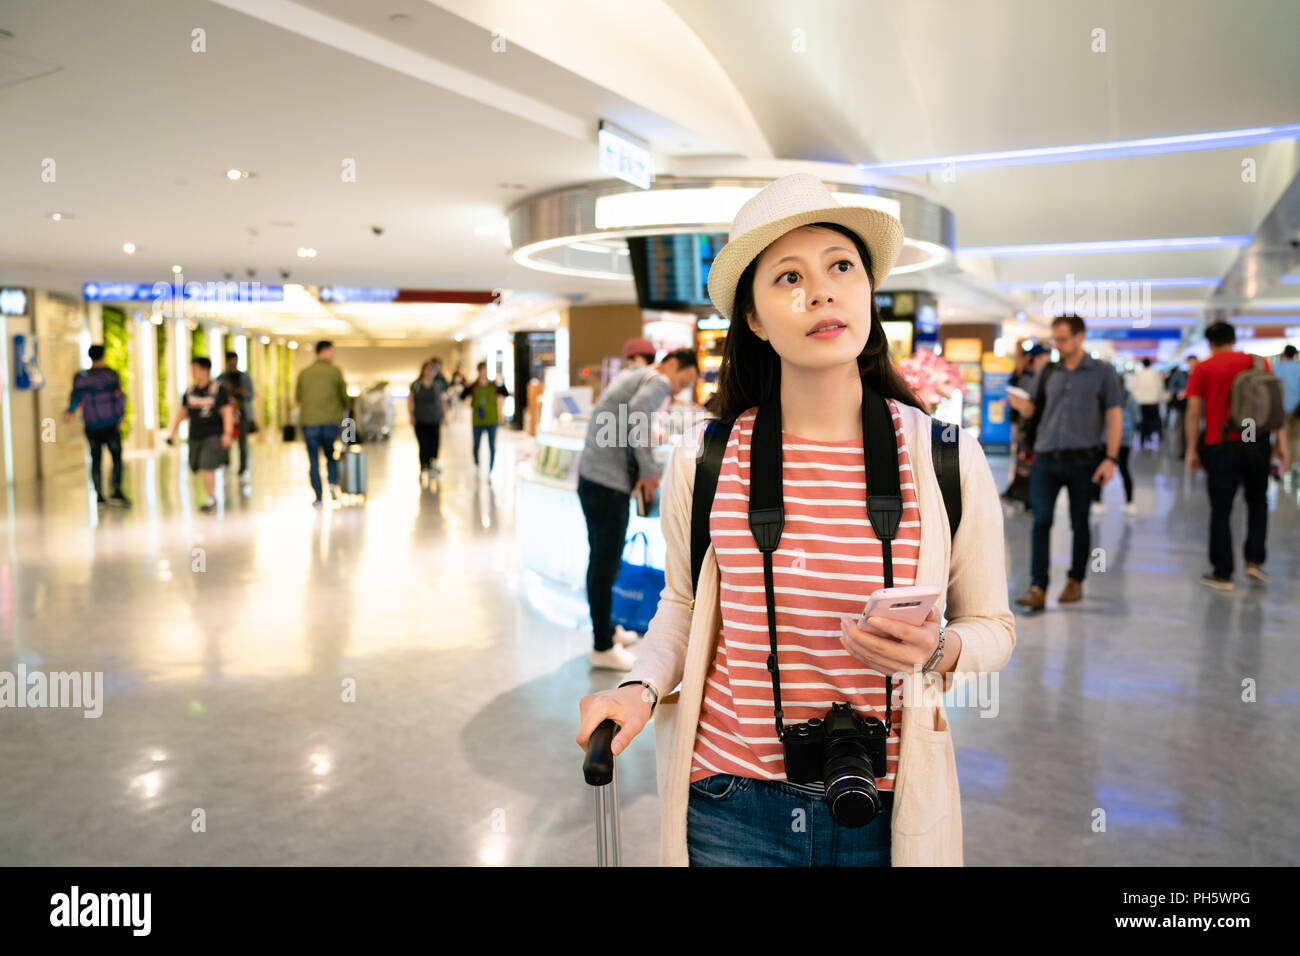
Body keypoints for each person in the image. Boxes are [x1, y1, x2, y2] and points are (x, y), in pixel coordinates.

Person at [576, 173, 1014, 867]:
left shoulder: (944, 456)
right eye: (787, 277)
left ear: (869, 291)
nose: (822, 291)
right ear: (752, 318)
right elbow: (685, 604)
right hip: (730, 802)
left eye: (842, 266)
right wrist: (639, 686)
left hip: (889, 804)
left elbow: (993, 627)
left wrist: (939, 651)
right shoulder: (708, 457)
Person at [576, 348, 699, 671]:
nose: (678, 390)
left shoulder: (635, 374)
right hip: (607, 485)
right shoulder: (657, 380)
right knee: (604, 565)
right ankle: (601, 646)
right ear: (672, 365)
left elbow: (627, 417)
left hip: (593, 480)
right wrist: (647, 469)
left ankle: (607, 630)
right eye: (683, 381)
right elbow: (637, 415)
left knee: (602, 561)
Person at [1007, 314, 1123, 609]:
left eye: (1063, 339)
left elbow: (1113, 415)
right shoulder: (1048, 371)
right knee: (1041, 521)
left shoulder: (1102, 372)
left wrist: (1111, 458)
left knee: (1079, 523)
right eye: (1055, 339)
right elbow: (1036, 410)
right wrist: (1023, 407)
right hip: (1045, 458)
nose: (1057, 345)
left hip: (1084, 459)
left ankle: (1075, 580)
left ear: (1080, 336)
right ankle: (1037, 586)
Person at [1185, 323, 1289, 591]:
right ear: (1234, 339)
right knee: (1258, 501)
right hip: (1253, 438)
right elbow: (1272, 404)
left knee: (1221, 508)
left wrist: (1191, 450)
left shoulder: (1204, 368)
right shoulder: (1257, 362)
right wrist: (1282, 444)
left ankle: (1223, 573)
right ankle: (1254, 561)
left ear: (1209, 343)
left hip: (1221, 442)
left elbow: (1194, 412)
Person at [64, 344, 130, 506]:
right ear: (103, 356)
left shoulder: (81, 377)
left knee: (96, 459)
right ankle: (117, 490)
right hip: (111, 423)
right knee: (116, 458)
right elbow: (119, 398)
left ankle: (99, 494)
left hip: (91, 425)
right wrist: (120, 417)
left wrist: (69, 412)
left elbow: (75, 399)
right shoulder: (111, 375)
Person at [167, 357, 234, 514]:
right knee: (195, 464)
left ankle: (211, 498)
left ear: (205, 370)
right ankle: (221, 464)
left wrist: (227, 433)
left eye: (195, 368)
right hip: (195, 436)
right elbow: (183, 412)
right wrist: (173, 432)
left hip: (213, 434)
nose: (193, 372)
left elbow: (227, 411)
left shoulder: (218, 389)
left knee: (205, 465)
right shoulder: (190, 391)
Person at [295, 340, 349, 507]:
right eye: (332, 352)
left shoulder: (304, 373)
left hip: (309, 423)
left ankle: (318, 496)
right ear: (324, 351)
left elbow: (298, 398)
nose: (333, 356)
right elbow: (344, 397)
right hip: (329, 422)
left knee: (313, 460)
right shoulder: (335, 371)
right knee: (330, 454)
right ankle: (332, 483)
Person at [1090, 383, 1139, 516]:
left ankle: (1097, 502)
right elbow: (1137, 417)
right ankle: (1129, 502)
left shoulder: (1102, 397)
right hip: (1125, 438)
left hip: (1105, 438)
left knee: (1099, 470)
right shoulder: (1129, 398)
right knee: (1124, 469)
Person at [459, 361, 509, 471]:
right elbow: (462, 397)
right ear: (478, 371)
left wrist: (502, 382)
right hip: (478, 421)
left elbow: (505, 394)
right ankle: (477, 462)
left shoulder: (493, 385)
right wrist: (466, 387)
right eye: (482, 369)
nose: (484, 372)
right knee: (476, 445)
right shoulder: (474, 386)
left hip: (492, 420)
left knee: (492, 446)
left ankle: (491, 467)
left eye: (485, 369)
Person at [218, 351, 255, 479]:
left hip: (242, 413)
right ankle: (225, 463)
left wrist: (243, 393)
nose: (233, 363)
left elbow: (252, 394)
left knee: (242, 443)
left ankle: (242, 468)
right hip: (228, 415)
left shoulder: (244, 377)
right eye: (231, 360)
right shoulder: (222, 378)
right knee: (226, 440)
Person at [408, 358, 448, 480]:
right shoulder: (416, 385)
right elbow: (410, 401)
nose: (430, 372)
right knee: (423, 444)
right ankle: (423, 466)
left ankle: (432, 464)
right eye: (428, 369)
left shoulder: (438, 385)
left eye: (433, 369)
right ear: (423, 370)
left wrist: (445, 416)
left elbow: (443, 401)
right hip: (420, 419)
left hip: (434, 418)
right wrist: (411, 415)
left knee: (434, 443)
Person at [1129, 357, 1166, 449]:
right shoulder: (1155, 374)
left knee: (1143, 420)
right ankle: (1150, 436)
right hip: (1153, 401)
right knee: (1152, 420)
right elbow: (1160, 387)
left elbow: (1133, 388)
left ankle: (1143, 438)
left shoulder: (1139, 374)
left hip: (1141, 401)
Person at [1165, 356, 1197, 459]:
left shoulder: (1199, 374)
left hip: (1196, 405)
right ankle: (1184, 451)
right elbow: (1171, 386)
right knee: (1183, 428)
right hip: (1183, 404)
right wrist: (1180, 391)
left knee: (1195, 427)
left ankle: (1194, 450)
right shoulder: (1181, 374)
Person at [1276, 344, 1300, 475]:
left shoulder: (1277, 368)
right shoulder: (1299, 368)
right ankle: (1295, 464)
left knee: (1282, 437)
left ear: (1284, 354)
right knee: (1295, 437)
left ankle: (1285, 465)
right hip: (1298, 409)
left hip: (1281, 409)